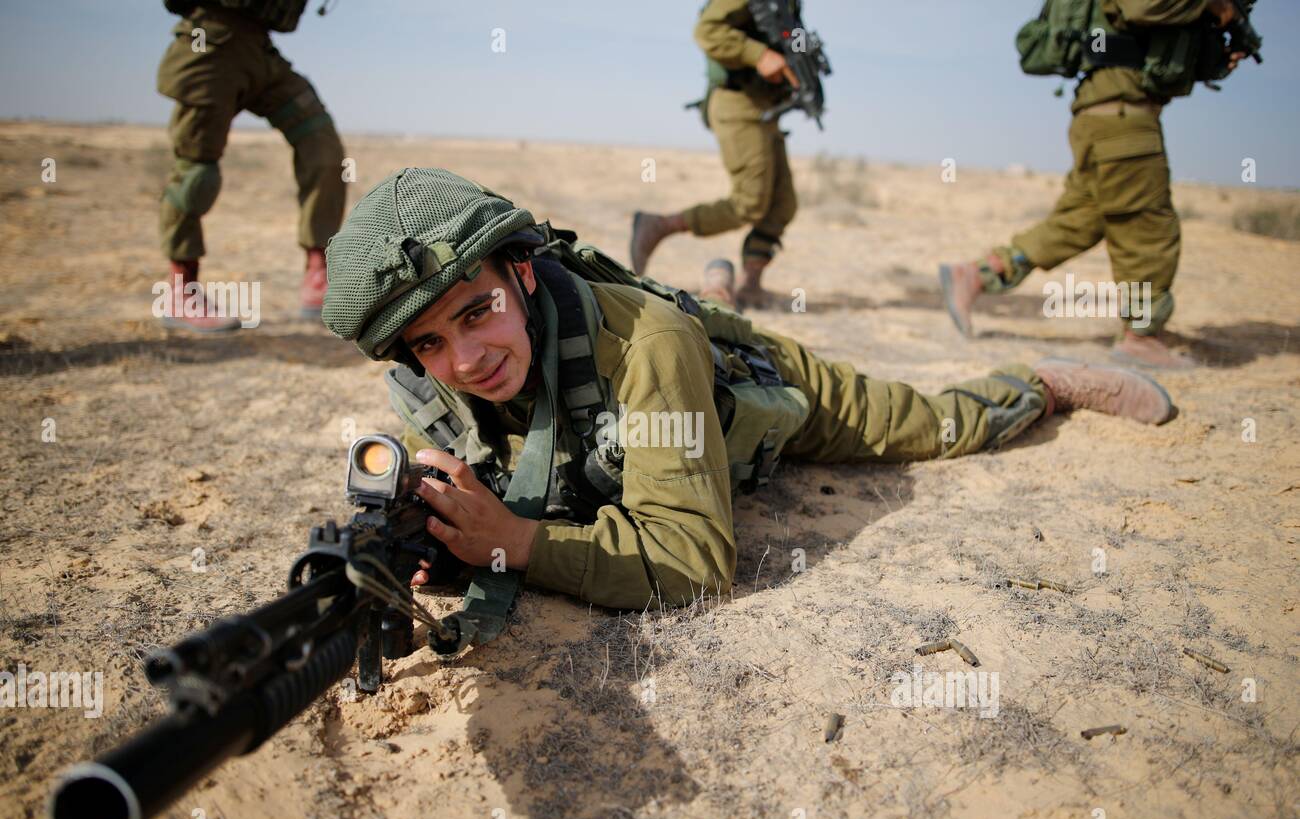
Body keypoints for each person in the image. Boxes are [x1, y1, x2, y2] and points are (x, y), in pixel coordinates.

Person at [322, 168, 1174, 618]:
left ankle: (1045, 385)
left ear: (522, 276)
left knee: (928, 426)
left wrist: (513, 543)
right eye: (430, 342)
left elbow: (694, 562)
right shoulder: (428, 385)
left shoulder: (646, 347)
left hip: (754, 384)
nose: (465, 360)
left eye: (480, 314)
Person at [939, 0, 1249, 369]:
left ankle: (979, 274)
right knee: (1148, 226)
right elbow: (1143, 7)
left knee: (1081, 221)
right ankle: (1141, 336)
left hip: (1105, 112)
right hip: (1122, 114)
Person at [155, 0, 346, 331]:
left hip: (261, 50)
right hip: (210, 42)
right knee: (196, 173)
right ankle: (181, 289)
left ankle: (318, 276)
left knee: (324, 151)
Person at [629, 0, 809, 310]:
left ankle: (750, 286)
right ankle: (659, 225)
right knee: (749, 202)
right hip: (738, 105)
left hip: (766, 108)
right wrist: (759, 55)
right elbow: (708, 30)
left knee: (782, 204)